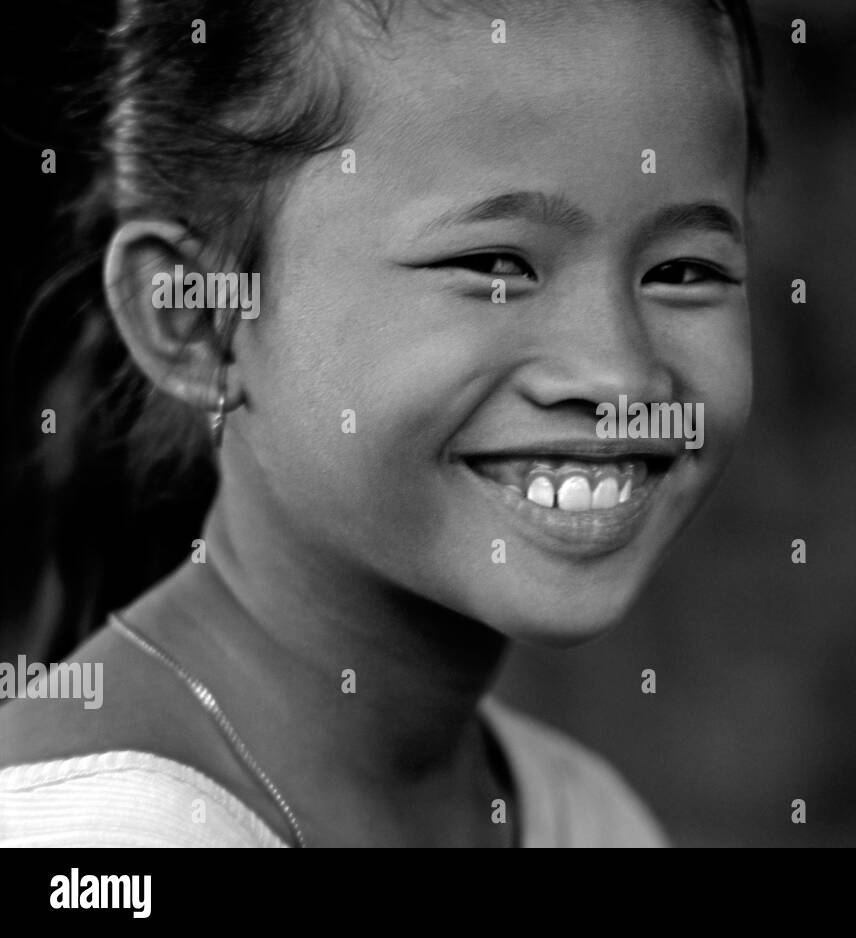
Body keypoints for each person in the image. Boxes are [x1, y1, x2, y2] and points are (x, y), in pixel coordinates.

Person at [0, 0, 765, 847]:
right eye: (494, 265)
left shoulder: (584, 816)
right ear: (199, 321)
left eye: (683, 271)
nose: (618, 375)